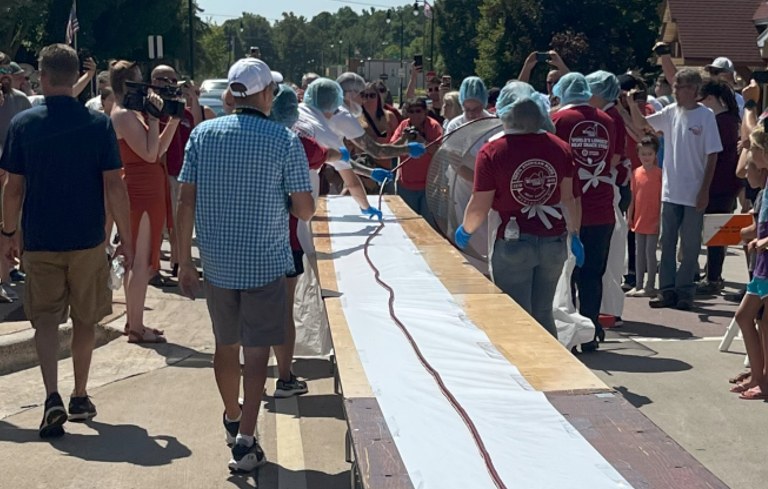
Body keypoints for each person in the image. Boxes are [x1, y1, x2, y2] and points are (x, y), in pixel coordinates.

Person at [176, 57, 314, 472]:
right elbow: (304, 209)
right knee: (256, 354)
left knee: (225, 345)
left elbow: (185, 201)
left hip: (218, 263)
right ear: (265, 93)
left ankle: (232, 415)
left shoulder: (203, 134)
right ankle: (246, 439)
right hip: (264, 263)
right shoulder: (284, 140)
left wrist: (184, 261)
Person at [0, 43, 133, 438]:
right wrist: (126, 237)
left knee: (45, 320)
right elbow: (114, 186)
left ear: (42, 77)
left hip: (40, 239)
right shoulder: (98, 125)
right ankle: (79, 394)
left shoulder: (24, 124)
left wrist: (8, 233)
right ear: (76, 76)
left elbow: (12, 188)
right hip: (88, 238)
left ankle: (51, 395)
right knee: (84, 319)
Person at [455, 81, 581, 336]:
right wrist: (575, 234)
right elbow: (569, 199)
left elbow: (480, 204)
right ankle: (552, 359)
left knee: (516, 317)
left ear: (503, 113)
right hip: (553, 239)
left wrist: (466, 230)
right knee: (544, 312)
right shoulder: (560, 147)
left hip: (513, 240)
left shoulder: (492, 151)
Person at [627, 69, 722, 310]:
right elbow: (642, 125)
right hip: (670, 192)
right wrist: (631, 104)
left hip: (694, 192)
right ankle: (666, 290)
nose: (675, 90)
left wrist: (705, 190)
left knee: (689, 246)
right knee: (667, 243)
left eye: (680, 86)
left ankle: (685, 291)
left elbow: (712, 155)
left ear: (693, 89)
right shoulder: (670, 112)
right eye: (675, 86)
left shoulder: (706, 116)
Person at [110, 60, 179, 343]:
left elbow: (157, 149)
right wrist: (152, 118)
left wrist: (172, 119)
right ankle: (137, 328)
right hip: (141, 192)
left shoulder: (131, 113)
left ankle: (134, 321)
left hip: (148, 187)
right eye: (140, 80)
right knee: (141, 263)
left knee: (138, 262)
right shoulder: (124, 114)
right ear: (128, 84)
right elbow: (150, 154)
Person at [551, 72, 617, 352]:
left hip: (568, 208)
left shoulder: (557, 120)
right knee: (592, 275)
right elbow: (613, 159)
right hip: (601, 206)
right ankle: (590, 330)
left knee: (566, 276)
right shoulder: (607, 121)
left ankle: (568, 331)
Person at [150, 64, 199, 279]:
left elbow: (194, 136)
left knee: (178, 222)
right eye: (162, 79)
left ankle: (178, 261)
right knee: (157, 223)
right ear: (153, 82)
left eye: (172, 80)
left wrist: (192, 98)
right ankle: (153, 267)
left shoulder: (184, 113)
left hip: (180, 174)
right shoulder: (149, 110)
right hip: (157, 173)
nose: (168, 84)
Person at [696, 80, 742, 294]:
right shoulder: (730, 119)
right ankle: (713, 275)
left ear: (711, 98)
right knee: (716, 232)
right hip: (726, 183)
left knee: (716, 232)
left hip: (719, 183)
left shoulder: (721, 122)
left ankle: (713, 278)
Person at [390, 97, 443, 224]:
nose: (415, 115)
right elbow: (391, 149)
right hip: (406, 185)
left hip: (428, 186)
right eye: (411, 111)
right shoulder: (404, 125)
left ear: (425, 112)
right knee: (409, 223)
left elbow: (439, 152)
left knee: (428, 223)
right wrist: (403, 138)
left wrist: (421, 140)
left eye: (418, 111)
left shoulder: (433, 126)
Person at [626, 136, 662, 297]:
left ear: (655, 155)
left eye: (649, 154)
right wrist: (629, 216)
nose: (646, 157)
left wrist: (660, 219)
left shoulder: (659, 174)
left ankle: (650, 285)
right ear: (638, 155)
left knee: (650, 254)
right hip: (639, 219)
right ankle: (639, 284)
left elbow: (662, 198)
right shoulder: (635, 173)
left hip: (653, 219)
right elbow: (632, 198)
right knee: (638, 253)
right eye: (643, 154)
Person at [358, 81, 399, 177]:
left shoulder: (389, 116)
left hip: (388, 167)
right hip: (366, 168)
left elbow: (397, 139)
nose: (368, 99)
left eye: (372, 95)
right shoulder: (356, 119)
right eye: (364, 96)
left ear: (378, 98)